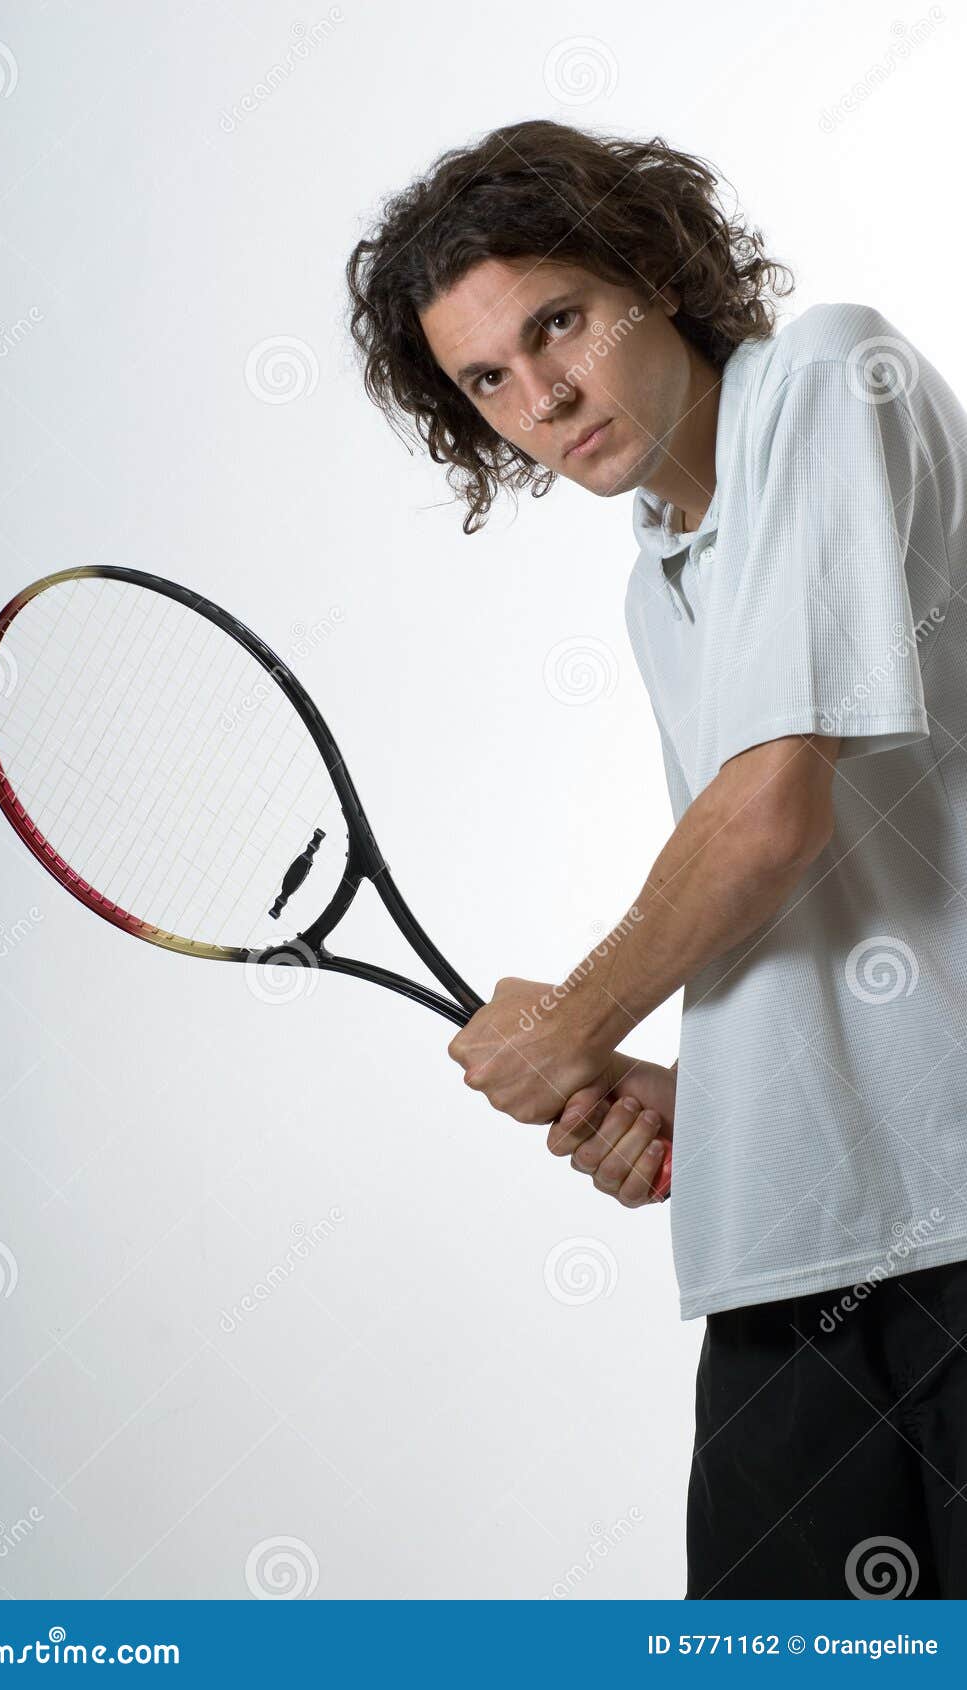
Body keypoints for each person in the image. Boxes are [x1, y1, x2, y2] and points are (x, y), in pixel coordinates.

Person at [345, 119, 967, 1598]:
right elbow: (827, 904)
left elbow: (768, 819)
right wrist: (718, 1098)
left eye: (558, 321)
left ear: (657, 272)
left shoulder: (823, 375)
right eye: (485, 378)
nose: (542, 395)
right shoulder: (658, 574)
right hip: (799, 1256)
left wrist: (572, 1021)